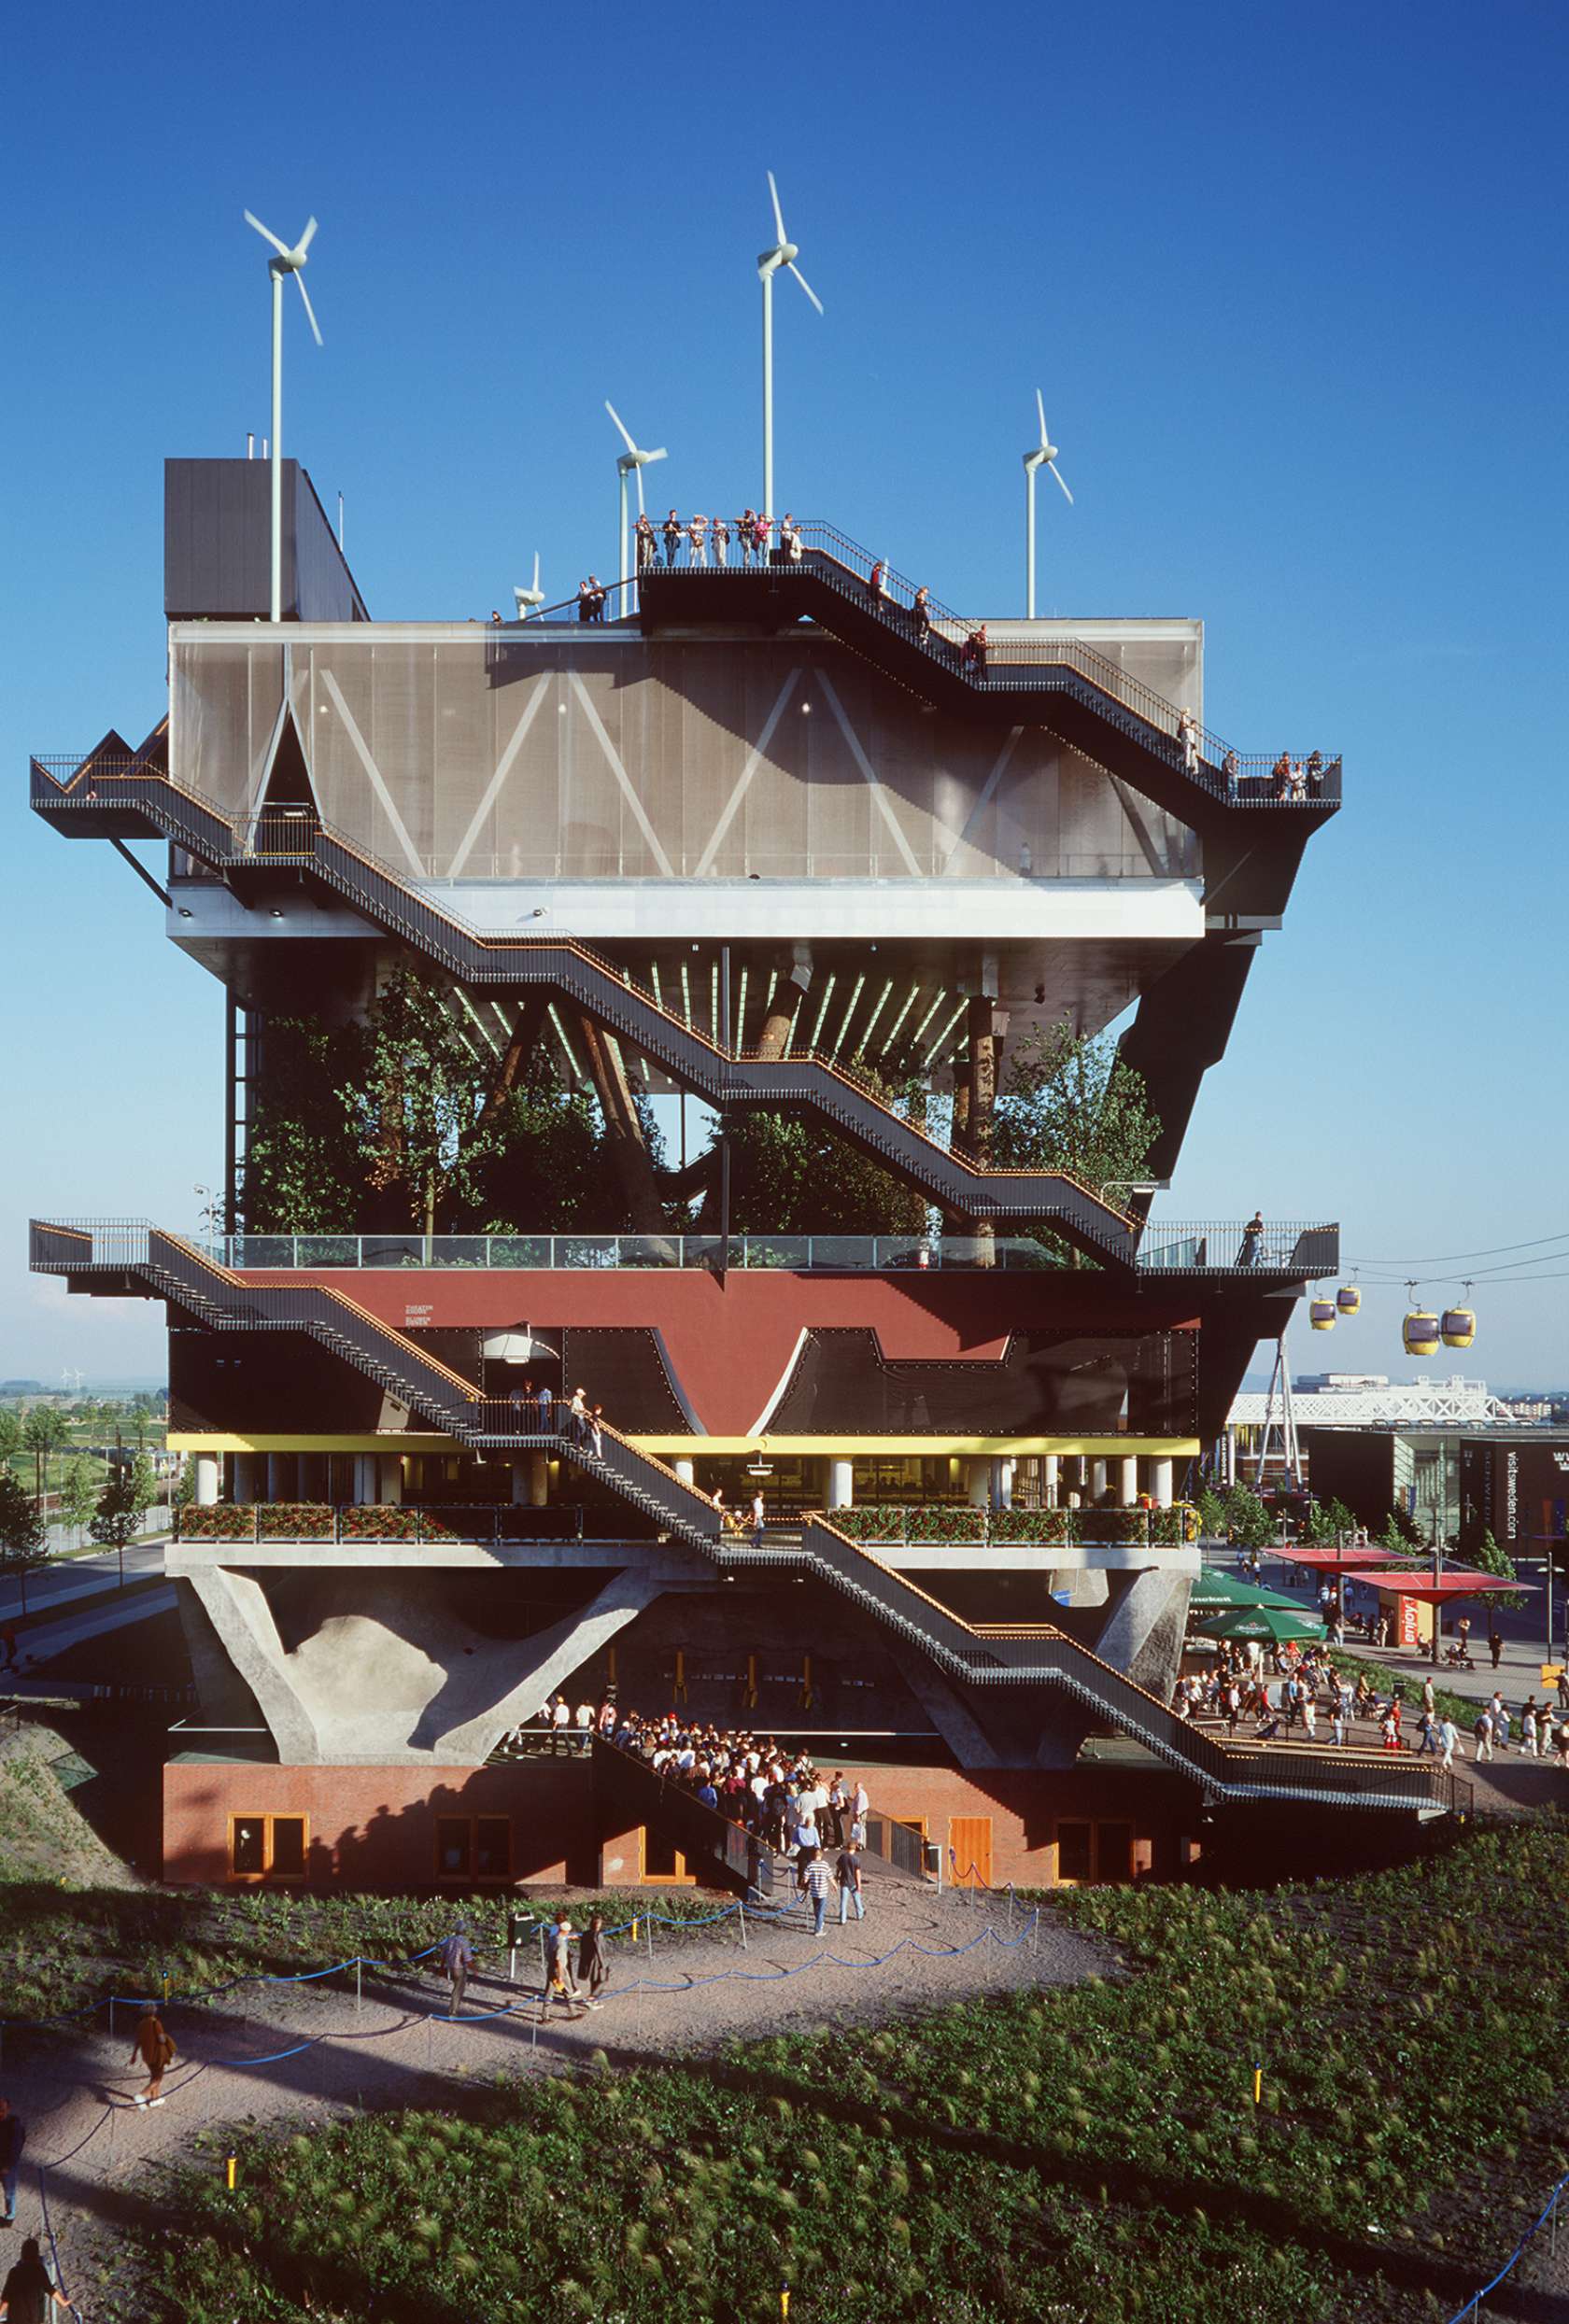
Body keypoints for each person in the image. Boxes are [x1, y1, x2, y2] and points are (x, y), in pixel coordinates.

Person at [0, 2237, 73, 2319]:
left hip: (14, 2318)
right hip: (31, 2317)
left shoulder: (14, 2272)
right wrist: (62, 2302)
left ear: (23, 2254)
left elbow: (6, 2298)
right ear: (36, 2254)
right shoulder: (39, 2270)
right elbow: (50, 2289)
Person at [128, 2007, 175, 2109]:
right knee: (158, 2078)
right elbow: (161, 2039)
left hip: (146, 2054)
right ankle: (142, 2095)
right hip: (157, 2054)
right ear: (154, 2012)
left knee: (154, 2075)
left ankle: (155, 2098)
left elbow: (138, 2041)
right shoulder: (156, 2023)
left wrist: (134, 2055)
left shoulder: (141, 2024)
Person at [543, 1916, 584, 2020]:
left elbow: (549, 1953)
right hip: (560, 1971)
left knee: (549, 1993)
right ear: (565, 1931)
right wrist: (560, 1976)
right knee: (568, 1990)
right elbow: (559, 1961)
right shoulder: (561, 1945)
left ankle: (545, 2016)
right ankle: (572, 2012)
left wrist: (569, 1937)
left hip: (551, 1969)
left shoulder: (553, 1939)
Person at [440, 1922, 474, 2017]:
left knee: (456, 1987)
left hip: (450, 1967)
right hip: (459, 1968)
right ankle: (453, 2012)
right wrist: (475, 1970)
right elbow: (467, 1959)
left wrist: (441, 1968)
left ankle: (454, 2008)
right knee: (458, 1989)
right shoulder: (464, 1942)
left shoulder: (449, 1940)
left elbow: (443, 1955)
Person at [577, 1911, 608, 2009]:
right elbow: (600, 1950)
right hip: (597, 1961)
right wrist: (604, 1964)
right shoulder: (598, 1935)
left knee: (593, 1980)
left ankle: (594, 2000)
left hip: (588, 1961)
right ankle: (591, 1999)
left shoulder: (585, 1934)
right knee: (602, 1980)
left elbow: (582, 1947)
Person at [802, 1849, 834, 1936]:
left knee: (816, 1909)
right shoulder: (825, 1865)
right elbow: (830, 1876)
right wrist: (835, 1885)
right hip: (823, 1891)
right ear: (821, 1855)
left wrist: (804, 1882)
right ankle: (818, 1930)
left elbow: (805, 1879)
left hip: (814, 1891)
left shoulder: (810, 1865)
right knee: (821, 1911)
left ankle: (819, 1923)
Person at [0, 2100, 21, 2227]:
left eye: (2, 2110)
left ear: (8, 2109)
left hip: (7, 2166)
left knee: (9, 2192)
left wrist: (7, 2166)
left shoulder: (14, 2125)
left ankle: (10, 2217)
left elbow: (16, 2148)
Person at [835, 1840, 864, 1924]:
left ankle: (842, 1919)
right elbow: (857, 1874)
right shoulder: (856, 1859)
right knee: (857, 1899)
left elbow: (838, 1868)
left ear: (847, 1848)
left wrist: (837, 1877)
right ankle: (860, 1914)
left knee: (843, 1902)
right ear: (854, 1849)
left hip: (844, 1881)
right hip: (853, 1882)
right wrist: (859, 1885)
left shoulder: (842, 1857)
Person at [1177, 708, 1200, 773]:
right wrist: (1184, 714)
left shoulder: (1190, 730)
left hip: (1190, 743)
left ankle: (1194, 769)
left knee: (1192, 755)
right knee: (1187, 753)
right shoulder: (1186, 729)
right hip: (1187, 742)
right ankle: (1187, 765)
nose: (1194, 726)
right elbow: (1183, 723)